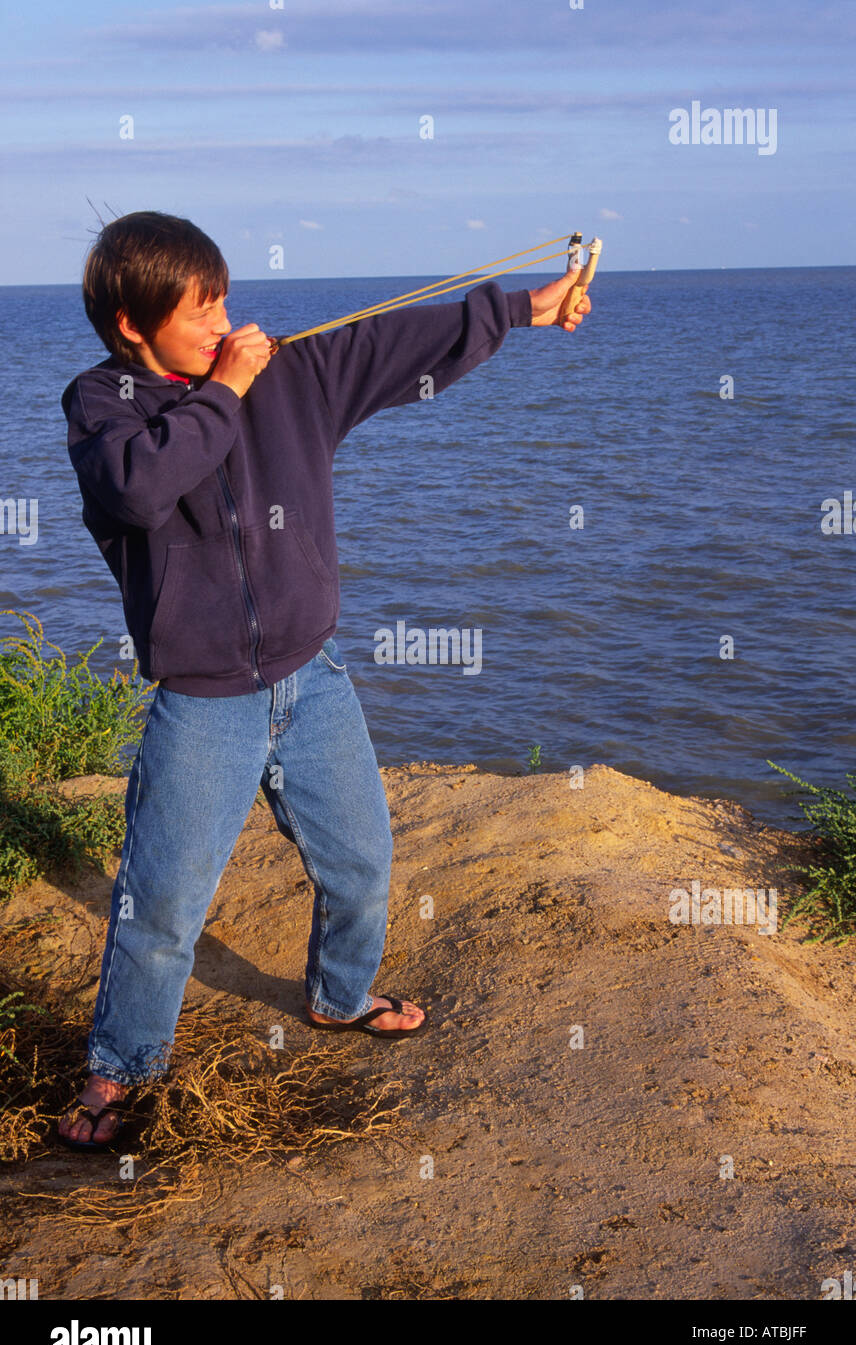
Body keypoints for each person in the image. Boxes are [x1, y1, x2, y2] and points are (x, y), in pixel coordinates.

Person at [56, 211, 592, 1150]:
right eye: (200, 308)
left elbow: (392, 342)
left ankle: (339, 998)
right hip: (204, 699)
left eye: (225, 297)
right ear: (134, 325)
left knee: (363, 864)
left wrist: (521, 310)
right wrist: (225, 391)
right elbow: (140, 488)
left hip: (316, 677)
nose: (225, 320)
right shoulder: (104, 406)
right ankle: (119, 1070)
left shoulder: (286, 375)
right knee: (163, 905)